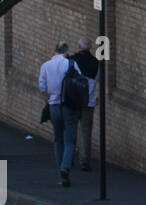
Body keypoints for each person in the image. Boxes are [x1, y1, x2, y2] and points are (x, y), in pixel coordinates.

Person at [37, 42, 78, 187]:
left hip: (54, 105)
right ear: (66, 52)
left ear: (54, 52)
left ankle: (60, 170)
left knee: (58, 139)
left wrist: (48, 101)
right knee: (70, 141)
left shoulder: (46, 66)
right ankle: (65, 167)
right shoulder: (71, 64)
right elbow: (79, 82)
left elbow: (42, 88)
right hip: (69, 106)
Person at [70, 38, 100, 172]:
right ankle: (84, 161)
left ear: (78, 47)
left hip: (73, 100)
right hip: (89, 101)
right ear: (90, 48)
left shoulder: (72, 61)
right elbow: (97, 81)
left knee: (71, 128)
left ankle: (69, 158)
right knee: (86, 131)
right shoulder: (96, 63)